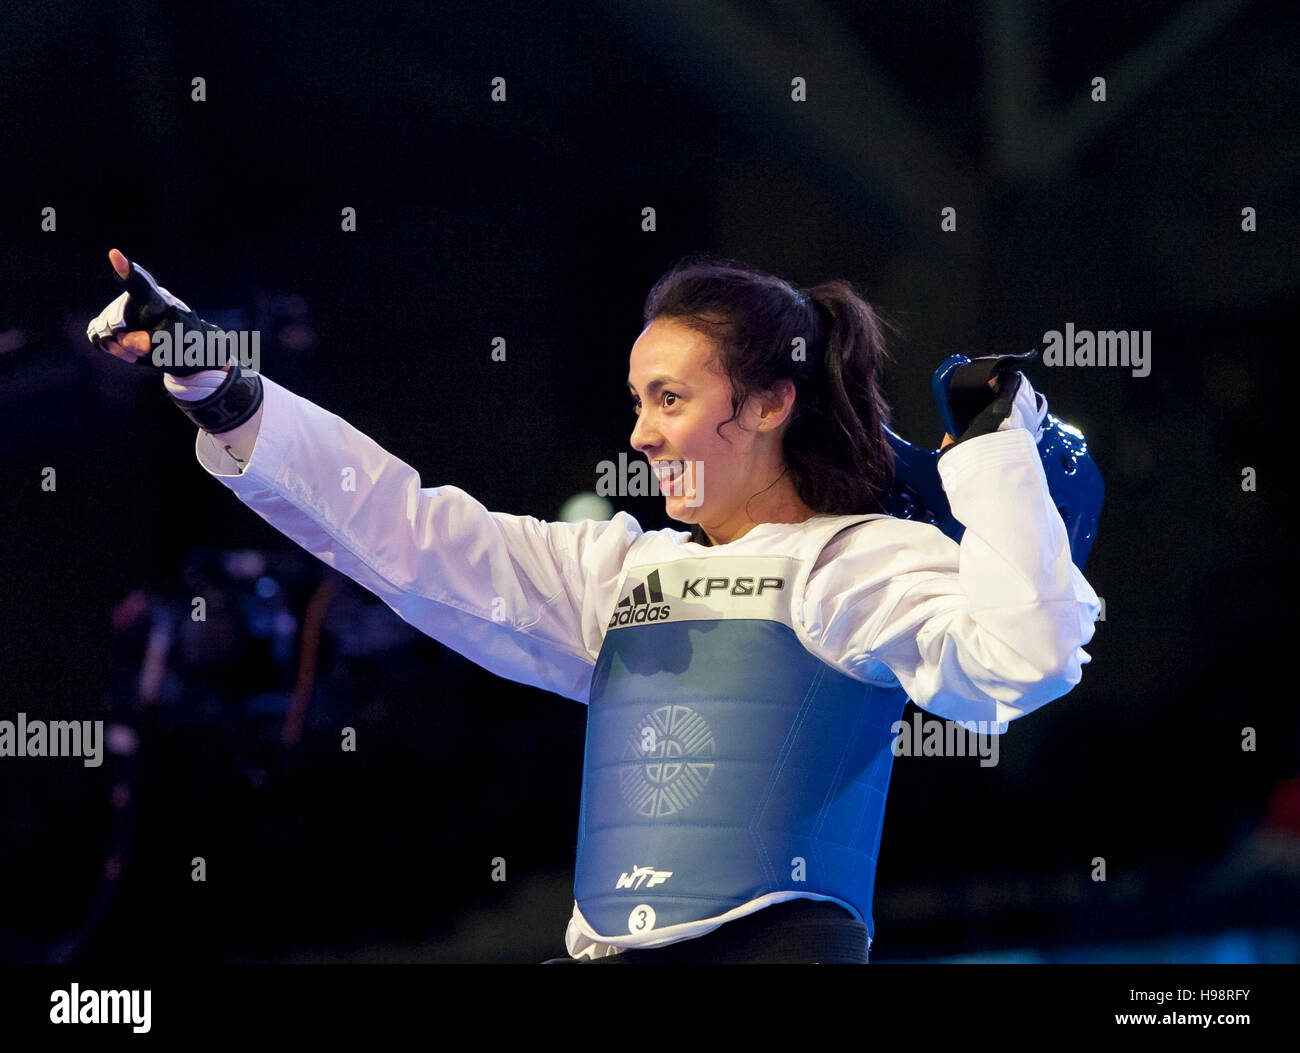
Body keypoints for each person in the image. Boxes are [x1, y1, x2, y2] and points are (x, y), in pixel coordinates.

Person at [88, 248, 1101, 963]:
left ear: (767, 404)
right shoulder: (620, 577)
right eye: (636, 401)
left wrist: (997, 454)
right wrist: (222, 386)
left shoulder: (854, 563)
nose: (643, 433)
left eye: (669, 398)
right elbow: (402, 531)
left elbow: (1021, 657)